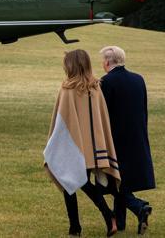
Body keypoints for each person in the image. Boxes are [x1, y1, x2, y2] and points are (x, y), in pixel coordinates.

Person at [44, 49, 120, 236]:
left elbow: (62, 122)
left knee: (70, 182)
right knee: (79, 181)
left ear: (70, 66)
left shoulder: (68, 89)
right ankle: (103, 218)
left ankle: (79, 226)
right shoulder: (95, 88)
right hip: (92, 148)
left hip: (73, 146)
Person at [99, 46, 155, 234]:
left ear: (107, 62)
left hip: (115, 138)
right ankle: (120, 222)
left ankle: (139, 207)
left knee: (114, 180)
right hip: (136, 135)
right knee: (121, 180)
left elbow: (103, 113)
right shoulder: (138, 79)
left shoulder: (106, 82)